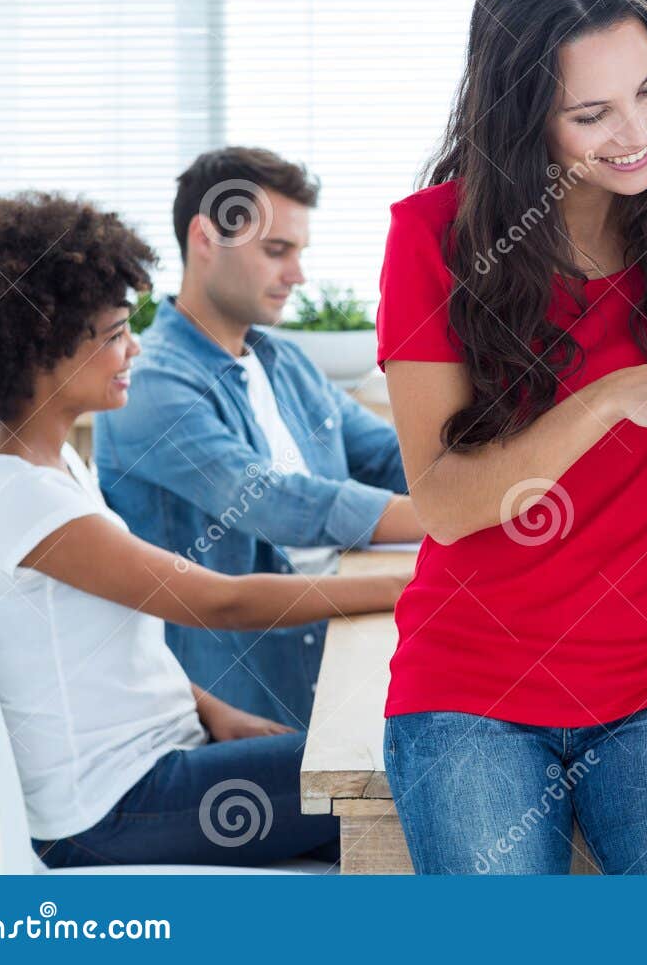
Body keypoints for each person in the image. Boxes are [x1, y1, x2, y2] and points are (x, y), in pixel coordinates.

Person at [377, 0, 647, 874]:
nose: (637, 130)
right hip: (472, 683)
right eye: (591, 113)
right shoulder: (433, 240)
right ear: (525, 121)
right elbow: (445, 501)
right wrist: (609, 398)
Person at [0, 192, 403, 868]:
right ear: (44, 345)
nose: (134, 347)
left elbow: (115, 648)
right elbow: (216, 601)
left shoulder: (41, 465)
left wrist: (210, 709)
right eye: (115, 332)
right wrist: (415, 585)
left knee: (378, 774)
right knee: (396, 767)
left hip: (155, 769)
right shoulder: (25, 499)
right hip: (115, 810)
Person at [95, 147, 420, 729]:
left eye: (299, 252)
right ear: (204, 238)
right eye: (277, 251)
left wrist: (487, 475)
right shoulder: (149, 382)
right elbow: (273, 501)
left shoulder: (282, 361)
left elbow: (390, 455)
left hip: (337, 640)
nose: (296, 274)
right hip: (243, 699)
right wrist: (445, 516)